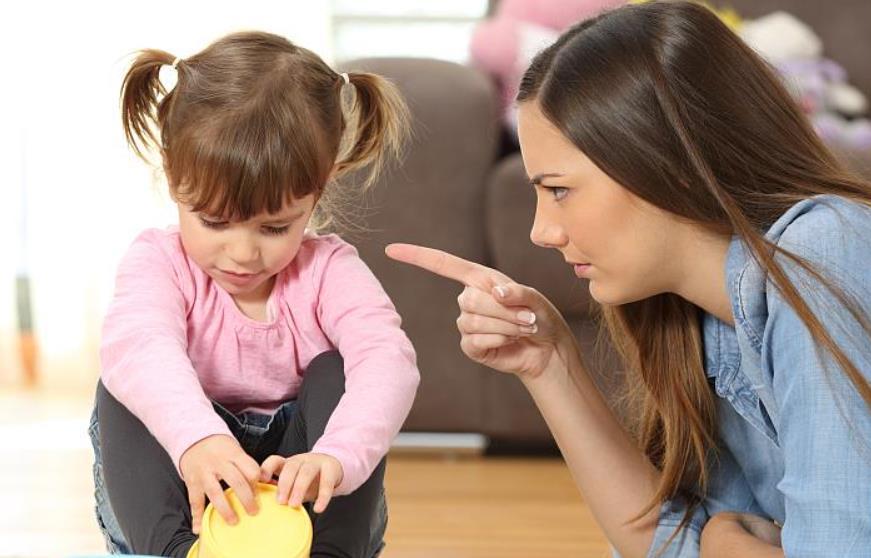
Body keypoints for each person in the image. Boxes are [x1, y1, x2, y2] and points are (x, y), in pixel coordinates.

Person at [387, 2, 871, 556]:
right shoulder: (700, 319)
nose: (542, 231)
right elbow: (666, 545)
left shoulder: (826, 252)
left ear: (669, 164)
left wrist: (723, 546)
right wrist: (549, 363)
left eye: (560, 190)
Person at [88, 30, 419, 558]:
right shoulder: (158, 262)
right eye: (216, 221)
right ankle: (175, 553)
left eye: (273, 228)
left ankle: (331, 551)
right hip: (186, 498)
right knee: (127, 382)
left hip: (303, 506)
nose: (243, 254)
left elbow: (389, 362)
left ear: (320, 187)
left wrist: (336, 457)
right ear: (173, 178)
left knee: (339, 370)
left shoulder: (330, 271)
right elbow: (139, 345)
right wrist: (198, 440)